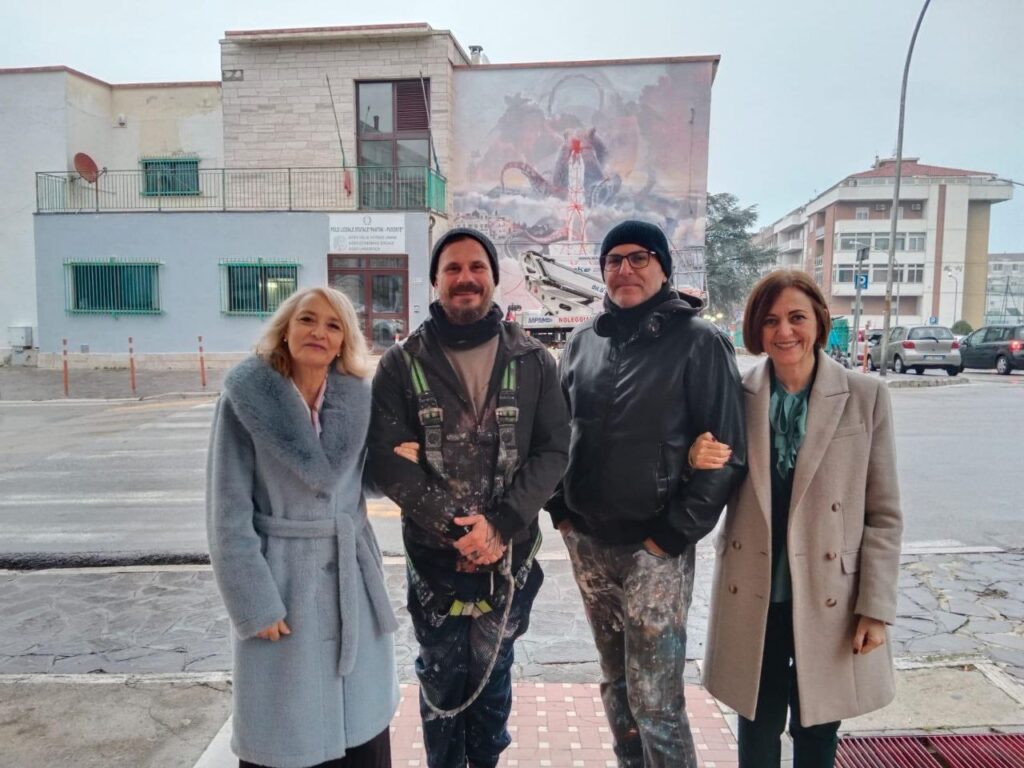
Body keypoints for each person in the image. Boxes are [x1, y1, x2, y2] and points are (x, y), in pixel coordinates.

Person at [545, 220, 748, 768]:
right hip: (589, 544)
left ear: (663, 267)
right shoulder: (583, 343)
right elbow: (556, 436)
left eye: (639, 257)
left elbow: (727, 455)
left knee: (656, 701)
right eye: (613, 260)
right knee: (615, 682)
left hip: (655, 549)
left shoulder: (699, 342)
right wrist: (561, 512)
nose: (624, 269)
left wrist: (669, 538)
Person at [368, 228, 569, 768]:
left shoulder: (533, 362)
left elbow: (553, 452)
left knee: (492, 669)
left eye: (476, 267)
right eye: (452, 268)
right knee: (440, 675)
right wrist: (454, 528)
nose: (465, 278)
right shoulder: (400, 364)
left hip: (508, 558)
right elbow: (386, 460)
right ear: (435, 280)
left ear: (493, 279)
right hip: (434, 561)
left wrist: (499, 524)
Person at [696, 270, 903, 768]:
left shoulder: (865, 395)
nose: (784, 332)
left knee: (817, 728)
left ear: (819, 322)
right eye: (770, 321)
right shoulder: (735, 395)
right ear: (756, 330)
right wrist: (693, 459)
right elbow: (705, 486)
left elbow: (884, 513)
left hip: (828, 593)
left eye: (796, 318)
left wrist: (875, 607)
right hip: (755, 591)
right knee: (757, 725)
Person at [207, 287, 399, 768]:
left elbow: (357, 482)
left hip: (352, 581)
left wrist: (398, 459)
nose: (319, 332)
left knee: (361, 731)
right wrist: (254, 604)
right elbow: (227, 512)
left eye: (334, 325)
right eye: (307, 320)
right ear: (285, 330)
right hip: (284, 582)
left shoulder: (355, 397)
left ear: (344, 341)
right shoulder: (245, 400)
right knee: (289, 735)